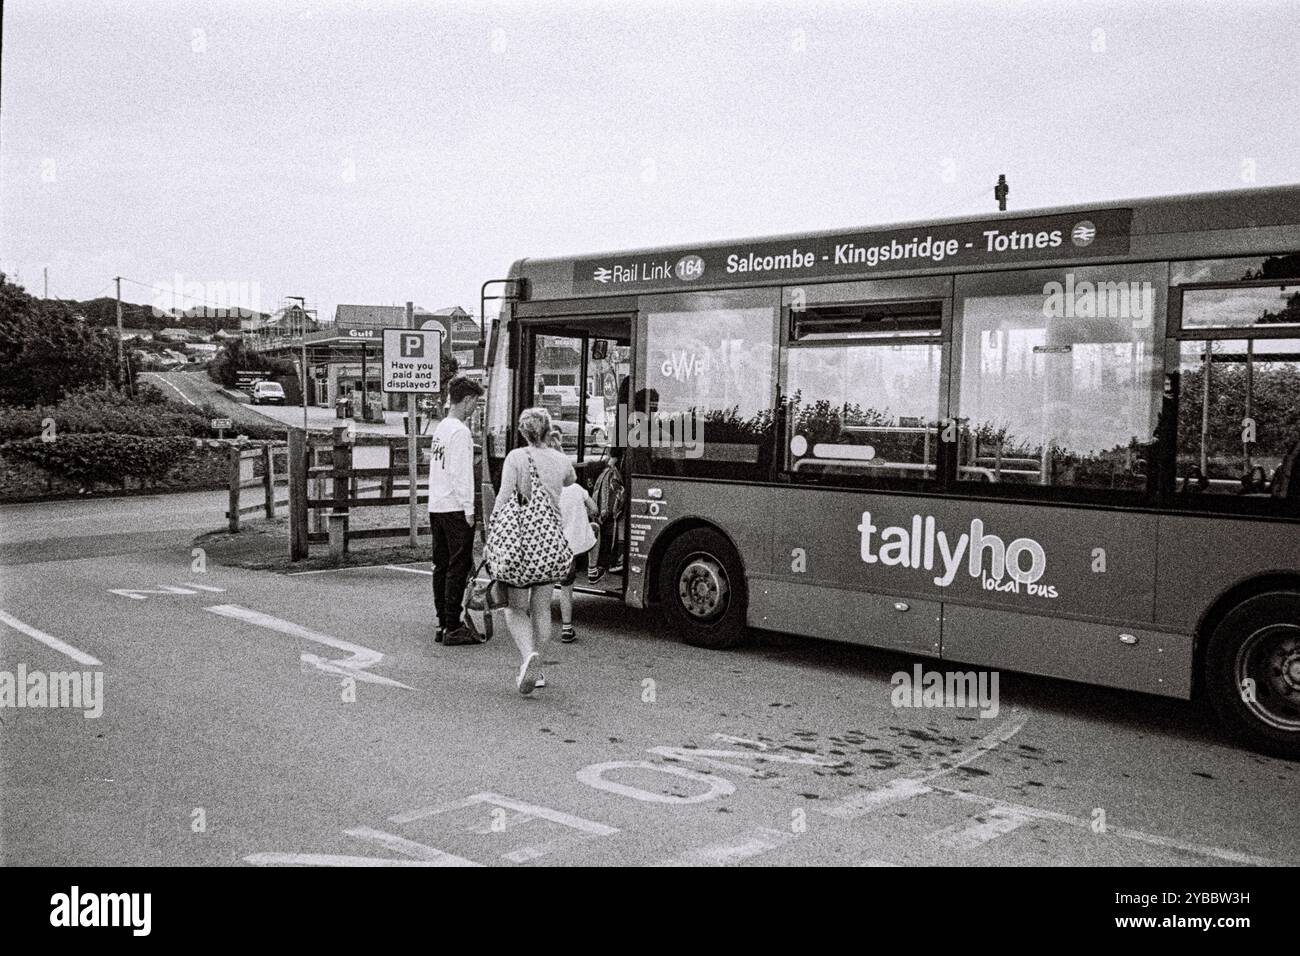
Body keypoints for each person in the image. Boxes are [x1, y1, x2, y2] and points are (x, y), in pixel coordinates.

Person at [494, 407, 576, 694]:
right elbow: (571, 480)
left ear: (522, 432)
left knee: (515, 608)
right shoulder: (562, 460)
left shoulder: (516, 457)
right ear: (548, 430)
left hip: (520, 544)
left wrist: (493, 530)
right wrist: (555, 447)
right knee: (541, 608)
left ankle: (528, 656)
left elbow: (505, 497)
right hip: (549, 542)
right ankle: (537, 668)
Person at [427, 374, 484, 645]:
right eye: (476, 403)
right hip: (455, 507)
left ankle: (442, 621)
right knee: (457, 566)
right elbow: (462, 474)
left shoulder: (441, 428)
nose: (476, 409)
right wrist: (470, 510)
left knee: (441, 565)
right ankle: (454, 624)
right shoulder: (461, 432)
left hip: (437, 504)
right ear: (468, 400)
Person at [546, 430, 599, 643]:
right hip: (571, 551)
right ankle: (567, 629)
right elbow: (594, 510)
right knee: (567, 591)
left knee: (544, 591)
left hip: (550, 549)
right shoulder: (577, 489)